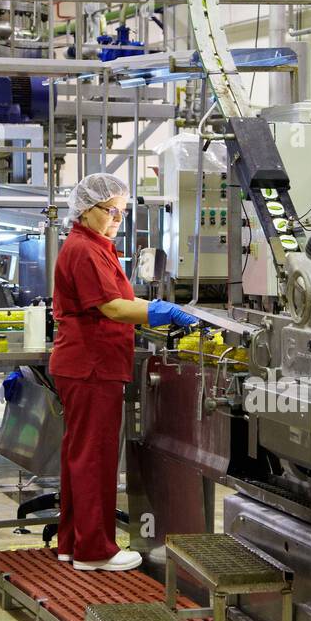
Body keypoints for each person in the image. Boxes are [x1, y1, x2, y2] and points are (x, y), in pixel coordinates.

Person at [50, 173, 198, 571]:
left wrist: (149, 309)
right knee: (94, 458)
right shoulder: (83, 249)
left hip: (91, 365)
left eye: (122, 212)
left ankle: (72, 543)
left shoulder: (97, 246)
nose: (116, 218)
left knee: (79, 456)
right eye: (110, 210)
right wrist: (161, 311)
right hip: (90, 367)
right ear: (86, 209)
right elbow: (113, 307)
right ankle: (94, 552)